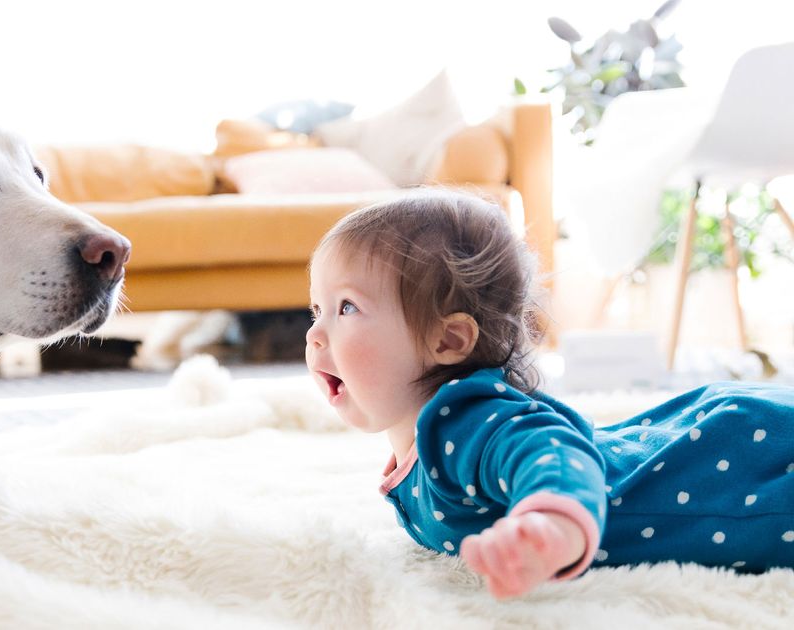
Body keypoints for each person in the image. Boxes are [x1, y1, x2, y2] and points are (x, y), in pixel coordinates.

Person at [304, 189, 794, 599]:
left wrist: (550, 521)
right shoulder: (428, 443)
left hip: (750, 460)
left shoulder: (468, 421)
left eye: (346, 307)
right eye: (315, 310)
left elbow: (555, 456)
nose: (315, 335)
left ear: (448, 340)